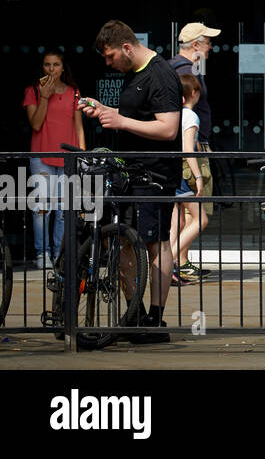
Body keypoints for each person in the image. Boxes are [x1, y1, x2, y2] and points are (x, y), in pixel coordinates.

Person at [83, 20, 183, 344]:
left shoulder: (162, 75)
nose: (108, 63)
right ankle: (134, 314)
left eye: (111, 56)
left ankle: (154, 318)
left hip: (154, 176)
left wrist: (121, 120)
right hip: (129, 172)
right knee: (122, 241)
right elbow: (134, 117)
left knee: (155, 244)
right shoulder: (134, 75)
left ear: (127, 47)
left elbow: (168, 128)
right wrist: (105, 110)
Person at [22, 50, 85, 267]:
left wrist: (82, 156)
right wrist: (45, 97)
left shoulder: (74, 92)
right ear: (42, 67)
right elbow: (36, 124)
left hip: (67, 158)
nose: (51, 69)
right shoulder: (33, 91)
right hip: (41, 156)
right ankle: (42, 253)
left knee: (62, 211)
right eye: (47, 65)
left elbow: (78, 126)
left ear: (62, 67)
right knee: (42, 208)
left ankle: (59, 254)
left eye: (56, 64)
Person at [170, 74, 212, 284]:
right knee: (200, 219)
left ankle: (167, 270)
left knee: (178, 221)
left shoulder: (174, 114)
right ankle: (169, 260)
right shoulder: (191, 117)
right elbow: (188, 150)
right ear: (194, 93)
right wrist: (198, 177)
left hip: (170, 172)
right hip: (181, 174)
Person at [170, 22, 218, 147]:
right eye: (208, 43)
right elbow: (186, 110)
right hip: (192, 145)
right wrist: (195, 145)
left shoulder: (174, 66)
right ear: (195, 45)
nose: (210, 47)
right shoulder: (187, 71)